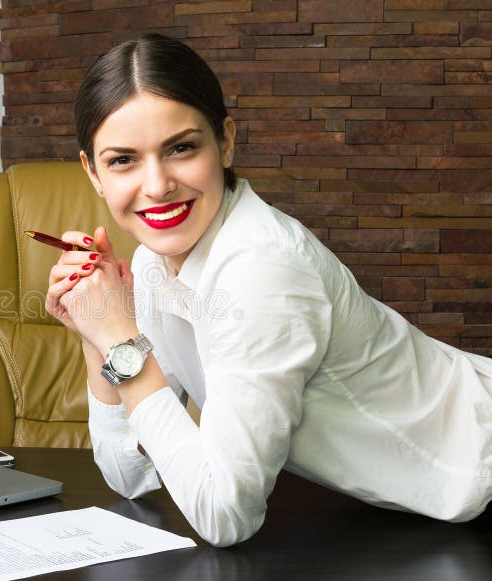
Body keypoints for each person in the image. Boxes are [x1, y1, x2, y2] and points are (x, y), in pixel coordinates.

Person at [44, 33, 492, 547]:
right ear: (92, 173)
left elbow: (224, 515)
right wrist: (95, 330)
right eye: (123, 160)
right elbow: (132, 477)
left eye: (182, 148)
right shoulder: (152, 262)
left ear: (226, 142)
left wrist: (123, 342)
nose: (157, 185)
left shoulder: (263, 269)